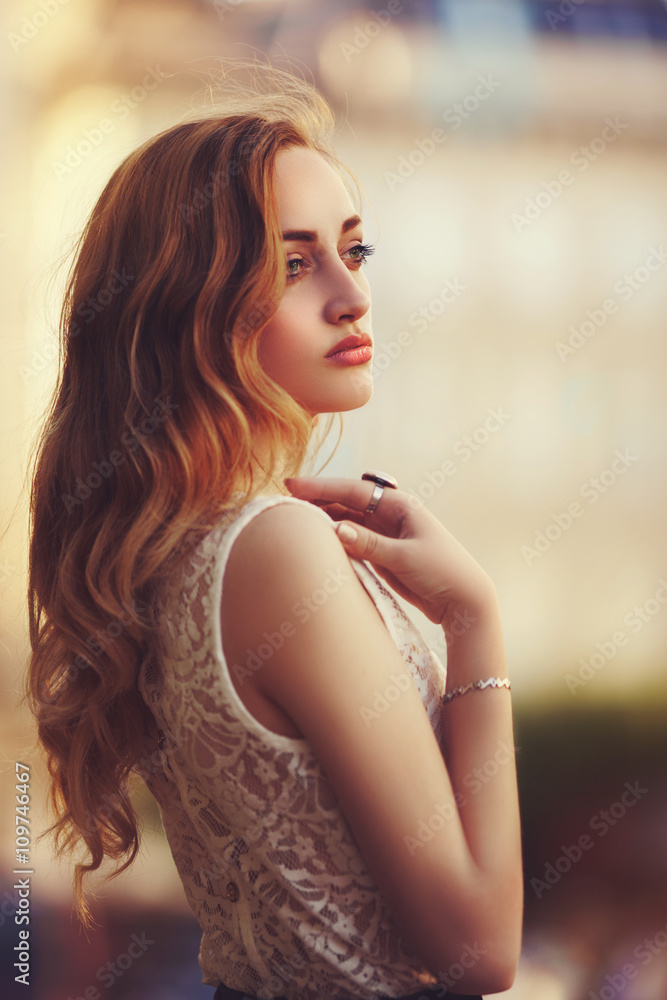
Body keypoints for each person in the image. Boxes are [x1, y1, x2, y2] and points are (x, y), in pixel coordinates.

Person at [25, 62, 523, 1000]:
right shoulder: (275, 550)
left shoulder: (172, 549)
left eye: (352, 250)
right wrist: (473, 622)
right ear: (188, 307)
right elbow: (476, 951)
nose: (351, 295)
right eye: (293, 265)